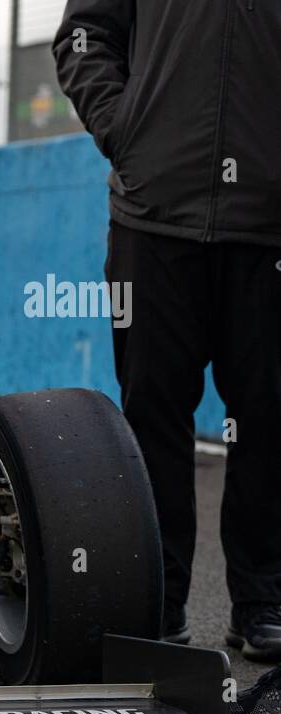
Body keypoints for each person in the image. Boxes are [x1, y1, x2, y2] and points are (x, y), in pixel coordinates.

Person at [55, 2, 281, 660]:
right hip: (152, 214)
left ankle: (265, 597)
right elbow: (84, 34)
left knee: (268, 414)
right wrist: (124, 128)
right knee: (152, 411)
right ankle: (157, 597)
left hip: (268, 223)